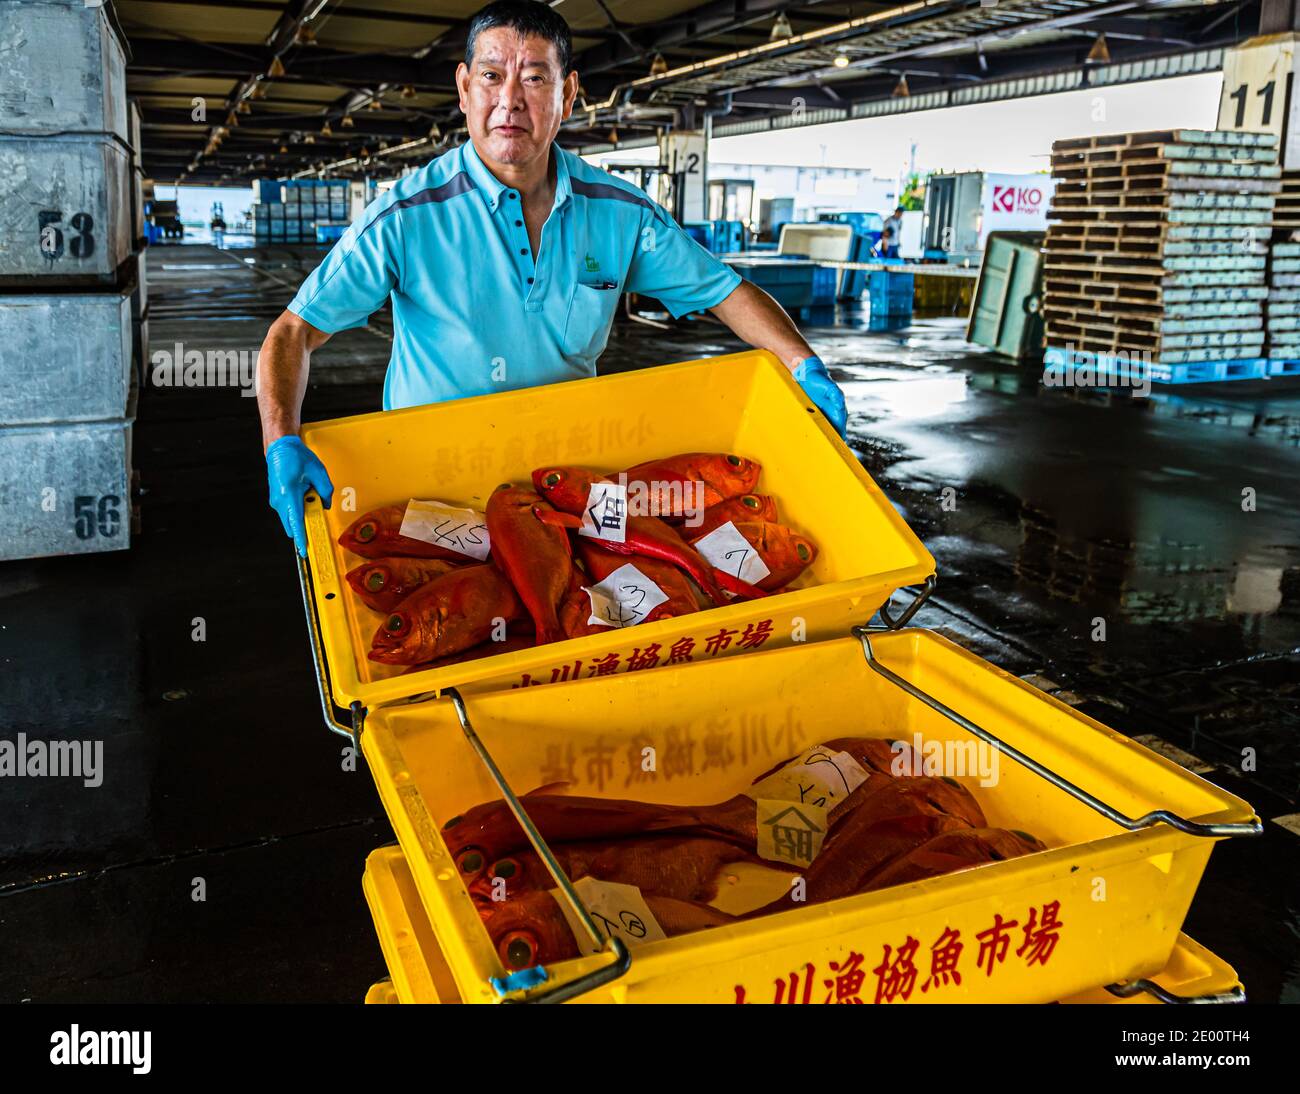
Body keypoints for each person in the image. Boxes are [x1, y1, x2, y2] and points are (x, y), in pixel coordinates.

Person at [256, 0, 848, 556]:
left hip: (570, 487)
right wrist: (281, 439)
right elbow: (292, 334)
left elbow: (726, 291)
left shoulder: (619, 213)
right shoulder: (407, 217)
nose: (509, 100)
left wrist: (803, 363)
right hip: (431, 489)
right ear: (464, 89)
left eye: (534, 78)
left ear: (567, 94)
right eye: (491, 76)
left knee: (601, 621)